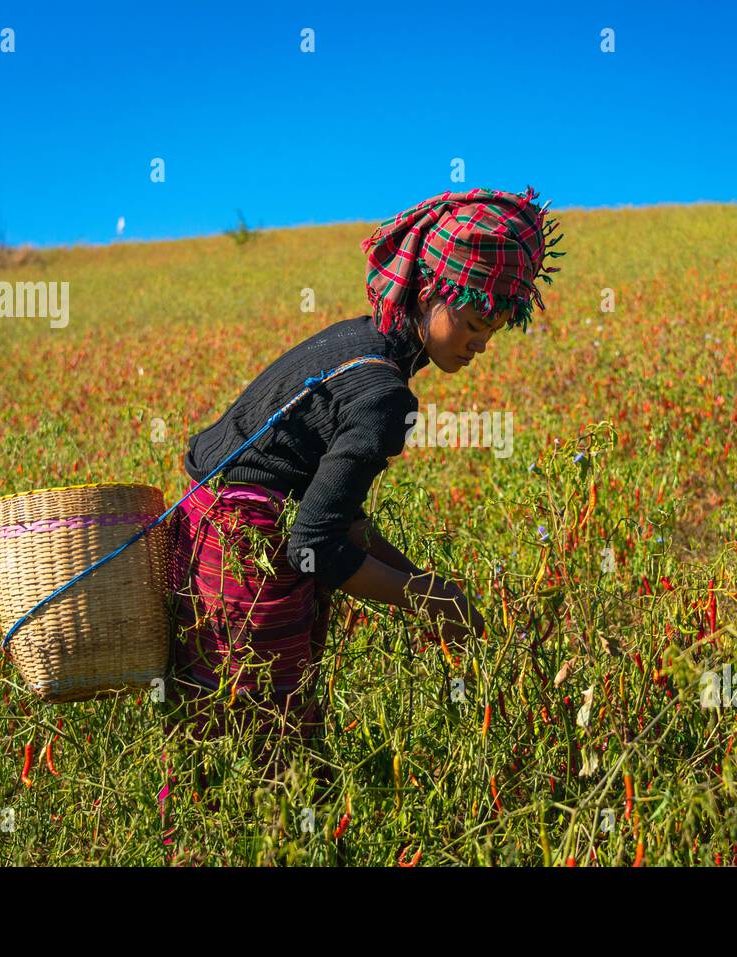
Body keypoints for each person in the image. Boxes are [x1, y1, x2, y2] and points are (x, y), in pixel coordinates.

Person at [161, 185, 566, 772]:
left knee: (213, 739)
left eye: (494, 331)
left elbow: (336, 520)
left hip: (202, 529)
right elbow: (315, 548)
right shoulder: (384, 395)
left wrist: (430, 586)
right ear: (430, 291)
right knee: (272, 755)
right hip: (243, 552)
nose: (481, 344)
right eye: (476, 321)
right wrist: (431, 600)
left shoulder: (359, 340)